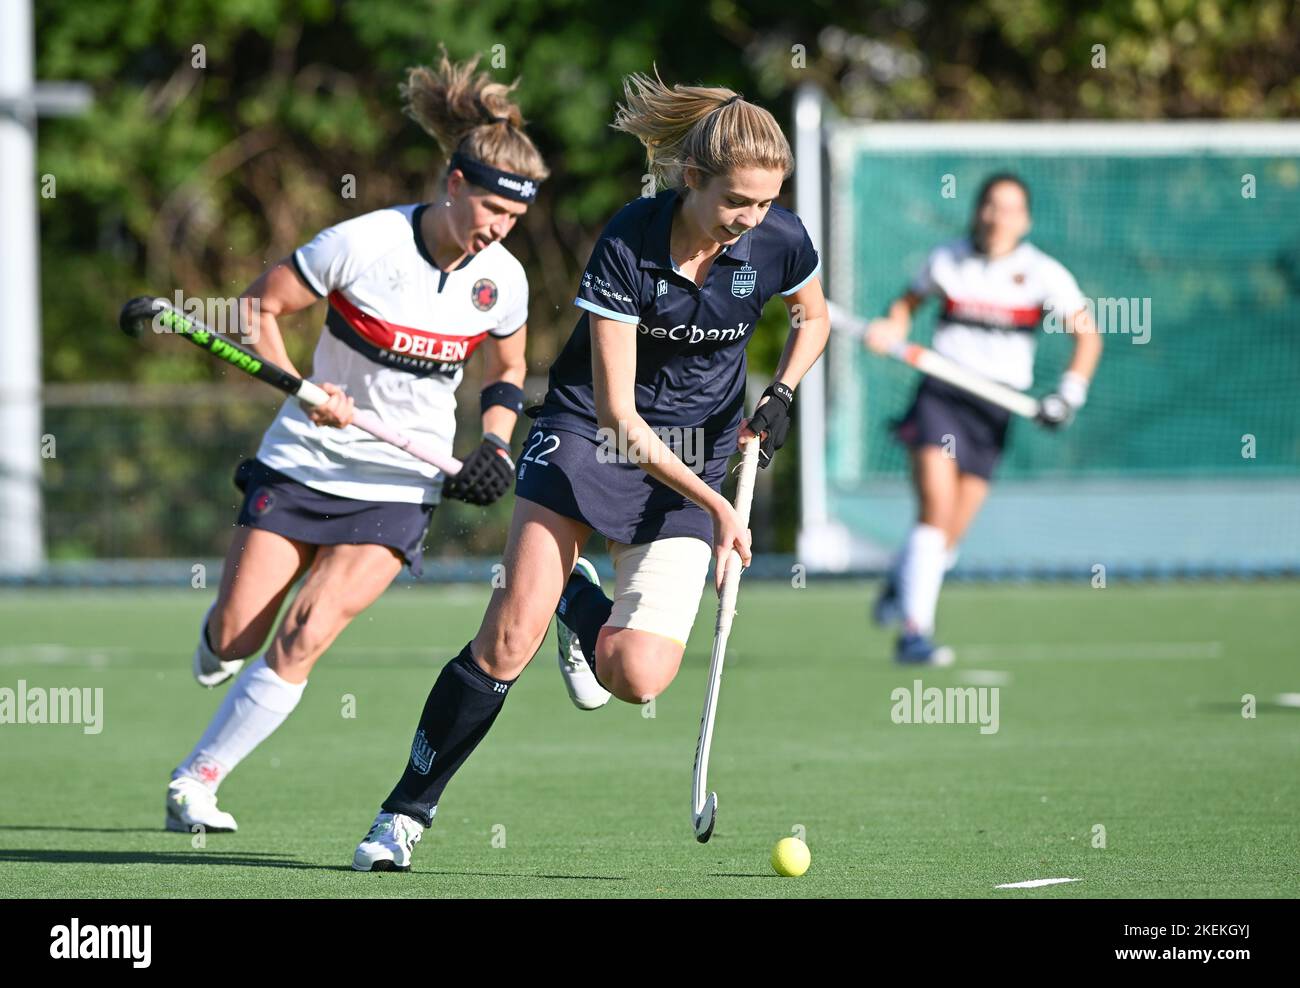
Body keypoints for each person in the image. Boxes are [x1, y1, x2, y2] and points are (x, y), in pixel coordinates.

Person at [351, 71, 829, 871]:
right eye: (736, 204)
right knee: (507, 639)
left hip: (698, 454)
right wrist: (721, 508)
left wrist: (780, 392)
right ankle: (403, 814)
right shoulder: (629, 242)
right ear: (692, 180)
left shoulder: (778, 237)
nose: (751, 222)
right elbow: (618, 418)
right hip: (590, 438)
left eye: (765, 204)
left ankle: (577, 607)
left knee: (634, 676)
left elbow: (811, 317)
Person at [164, 51, 546, 833]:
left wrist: (497, 443)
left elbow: (508, 367)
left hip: (399, 483)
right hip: (304, 458)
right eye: (491, 213)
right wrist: (300, 388)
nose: (498, 234)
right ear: (455, 185)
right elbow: (256, 311)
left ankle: (197, 781)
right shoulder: (364, 243)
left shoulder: (501, 280)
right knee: (235, 635)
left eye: (514, 222)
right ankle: (216, 640)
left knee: (307, 631)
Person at [866, 173, 1101, 665]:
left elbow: (1088, 336)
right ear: (977, 211)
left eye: (1010, 209)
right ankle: (914, 635)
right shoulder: (946, 259)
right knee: (935, 507)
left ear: (1026, 220)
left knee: (950, 534)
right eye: (990, 206)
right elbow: (906, 304)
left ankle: (904, 579)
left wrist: (1068, 396)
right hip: (941, 395)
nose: (998, 217)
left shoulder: (1041, 273)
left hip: (997, 408)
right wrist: (893, 324)